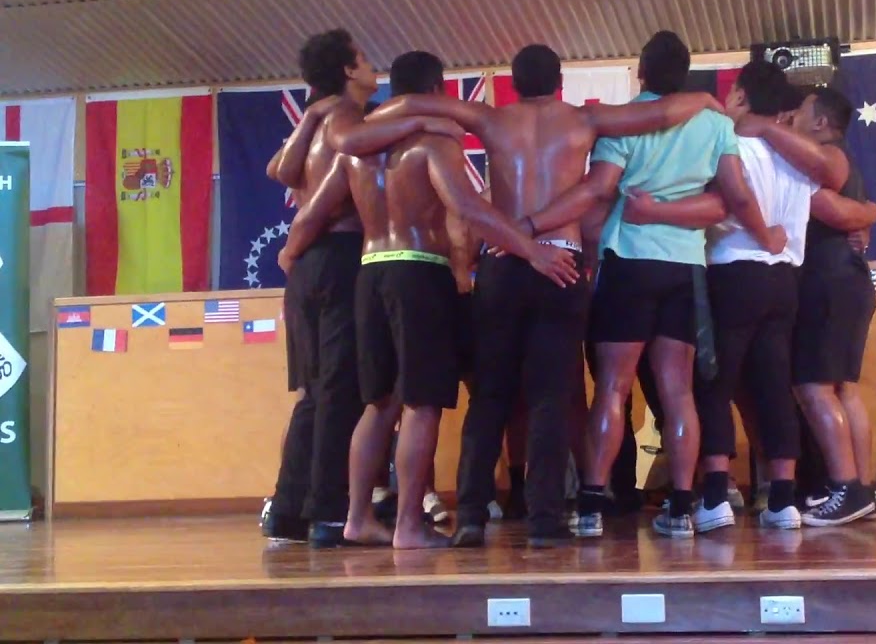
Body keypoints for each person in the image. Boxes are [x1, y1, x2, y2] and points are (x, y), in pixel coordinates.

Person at [363, 42, 724, 547]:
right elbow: (660, 114)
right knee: (551, 398)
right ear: (559, 83)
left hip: (504, 259)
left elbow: (411, 103)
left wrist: (370, 119)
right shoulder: (583, 119)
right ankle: (545, 521)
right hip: (561, 261)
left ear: (513, 84)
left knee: (491, 395)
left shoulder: (490, 118)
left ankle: (471, 515)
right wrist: (703, 99)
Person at [280, 49, 579, 548]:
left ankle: (356, 518)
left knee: (379, 404)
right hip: (418, 271)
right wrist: (532, 250)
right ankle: (407, 525)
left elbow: (311, 213)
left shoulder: (356, 149)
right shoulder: (432, 143)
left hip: (369, 272)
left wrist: (290, 257)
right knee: (421, 405)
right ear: (437, 92)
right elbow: (467, 208)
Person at [519, 31, 783, 539]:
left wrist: (542, 230)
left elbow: (599, 190)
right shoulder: (715, 125)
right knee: (678, 390)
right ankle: (681, 510)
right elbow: (735, 195)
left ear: (641, 72)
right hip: (685, 267)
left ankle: (591, 508)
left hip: (629, 261)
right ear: (685, 76)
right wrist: (767, 234)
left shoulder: (626, 120)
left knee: (613, 387)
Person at [623, 61, 816, 531]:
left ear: (742, 96)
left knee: (713, 383)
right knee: (775, 387)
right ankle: (782, 501)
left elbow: (727, 202)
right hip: (785, 280)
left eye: (732, 95)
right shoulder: (795, 154)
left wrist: (656, 209)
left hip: (734, 272)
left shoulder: (728, 144)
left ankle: (715, 497)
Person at [261, 29, 432, 548]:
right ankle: (328, 513)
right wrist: (293, 243)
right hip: (335, 256)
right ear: (348, 70)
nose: (371, 66)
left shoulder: (320, 119)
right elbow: (328, 192)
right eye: (363, 58)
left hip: (312, 266)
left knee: (315, 393)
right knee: (340, 391)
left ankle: (288, 511)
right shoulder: (347, 120)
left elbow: (279, 170)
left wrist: (310, 115)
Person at [735, 85, 876, 526]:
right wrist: (872, 212)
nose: (789, 117)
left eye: (798, 111)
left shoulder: (823, 158)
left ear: (819, 122)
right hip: (847, 280)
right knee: (843, 389)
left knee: (813, 389)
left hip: (828, 281)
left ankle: (846, 488)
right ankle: (861, 491)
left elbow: (834, 210)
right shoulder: (839, 160)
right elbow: (850, 211)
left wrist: (868, 213)